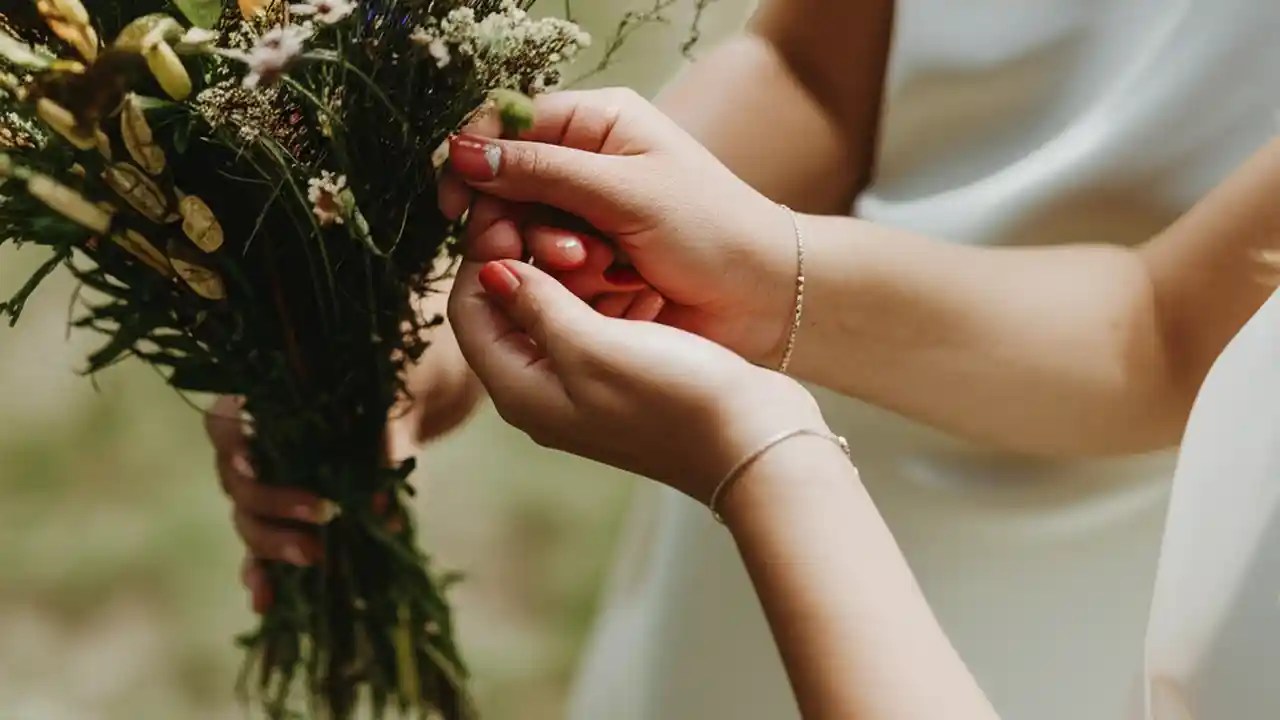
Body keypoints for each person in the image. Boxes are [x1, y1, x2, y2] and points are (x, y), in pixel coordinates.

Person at [208, 3, 1280, 719]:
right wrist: (428, 338)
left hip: (1091, 561)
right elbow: (814, 69)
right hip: (756, 458)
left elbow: (1160, 333)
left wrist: (767, 293)